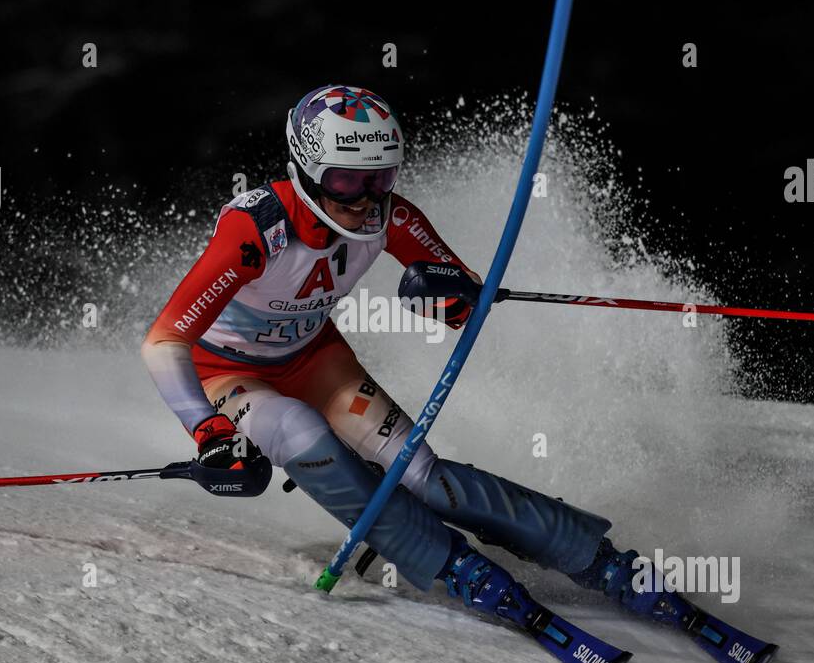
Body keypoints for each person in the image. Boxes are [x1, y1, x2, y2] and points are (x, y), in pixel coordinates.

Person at [141, 84, 682, 632]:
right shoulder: (256, 232)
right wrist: (208, 432)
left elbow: (461, 302)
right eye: (347, 181)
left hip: (314, 359)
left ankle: (591, 555)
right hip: (228, 374)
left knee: (421, 473)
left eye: (380, 179)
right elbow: (164, 340)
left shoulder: (391, 218)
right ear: (306, 171)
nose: (365, 200)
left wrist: (456, 299)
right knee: (300, 430)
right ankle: (451, 566)